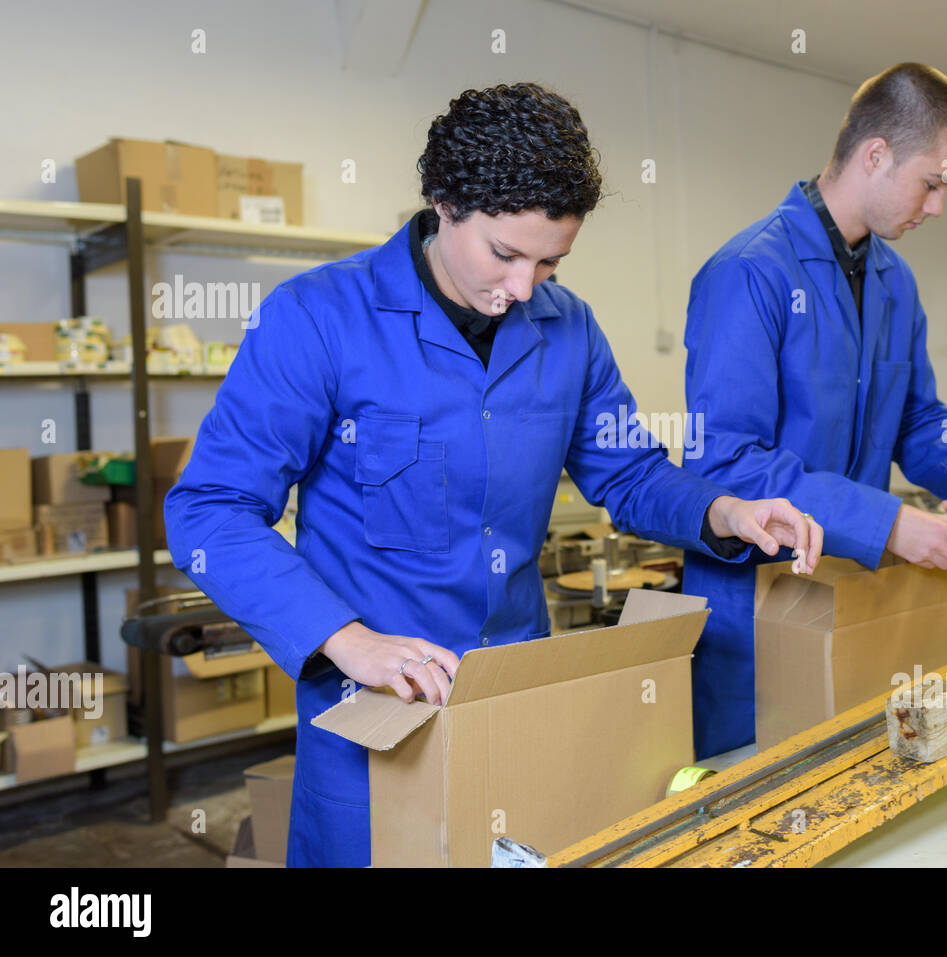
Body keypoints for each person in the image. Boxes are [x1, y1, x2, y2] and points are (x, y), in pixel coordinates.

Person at [164, 82, 823, 867]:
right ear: (442, 203)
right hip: (371, 717)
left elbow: (630, 472)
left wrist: (725, 512)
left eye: (550, 262)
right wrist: (349, 640)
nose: (521, 289)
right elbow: (211, 510)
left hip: (514, 704)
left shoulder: (568, 326)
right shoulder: (317, 319)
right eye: (505, 254)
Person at [681, 63, 947, 759]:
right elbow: (725, 461)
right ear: (876, 155)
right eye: (933, 183)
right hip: (753, 625)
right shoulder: (749, 273)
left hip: (854, 602)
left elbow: (919, 415)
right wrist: (888, 522)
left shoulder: (895, 282)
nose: (936, 208)